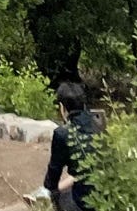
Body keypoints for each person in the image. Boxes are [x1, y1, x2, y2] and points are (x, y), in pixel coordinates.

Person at [30, 82, 102, 211]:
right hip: (107, 193)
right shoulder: (99, 124)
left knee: (59, 197)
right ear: (84, 104)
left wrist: (48, 190)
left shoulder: (62, 134)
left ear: (62, 108)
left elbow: (53, 173)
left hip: (84, 202)